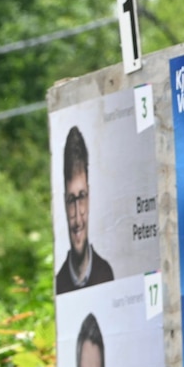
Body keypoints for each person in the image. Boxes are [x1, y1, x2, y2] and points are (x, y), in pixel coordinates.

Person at [54, 126, 113, 294]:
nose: (78, 219)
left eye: (82, 197)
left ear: (89, 197)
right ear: (64, 204)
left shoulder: (105, 274)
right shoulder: (59, 284)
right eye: (72, 201)